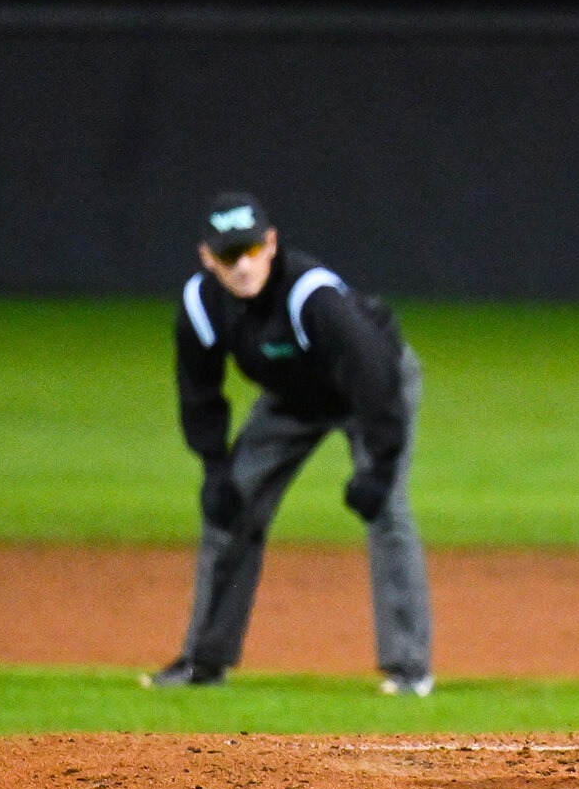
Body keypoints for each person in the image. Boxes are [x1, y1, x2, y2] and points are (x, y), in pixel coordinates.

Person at [142, 192, 435, 697]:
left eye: (252, 250)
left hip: (371, 392)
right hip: (290, 400)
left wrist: (380, 467)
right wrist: (215, 467)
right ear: (208, 258)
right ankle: (204, 661)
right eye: (230, 255)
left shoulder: (310, 294)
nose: (243, 265)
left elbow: (375, 375)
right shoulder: (201, 305)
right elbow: (199, 393)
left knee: (386, 512)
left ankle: (409, 670)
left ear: (271, 244)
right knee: (228, 508)